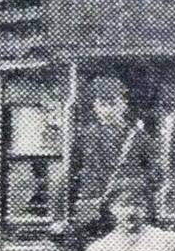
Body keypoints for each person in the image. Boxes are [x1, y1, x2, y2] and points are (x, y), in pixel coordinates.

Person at [69, 74, 163, 231]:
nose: (106, 110)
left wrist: (130, 186)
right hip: (92, 214)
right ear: (95, 106)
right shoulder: (84, 138)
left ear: (124, 104)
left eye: (112, 103)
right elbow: (73, 173)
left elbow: (156, 174)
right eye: (101, 104)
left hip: (129, 213)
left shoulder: (138, 137)